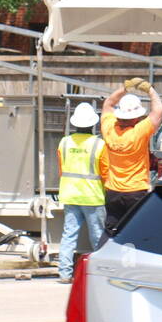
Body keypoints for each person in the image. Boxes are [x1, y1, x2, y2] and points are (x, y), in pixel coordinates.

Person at [99, 77, 162, 238]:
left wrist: (125, 88)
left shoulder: (108, 129)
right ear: (136, 117)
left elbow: (108, 103)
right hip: (135, 190)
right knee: (138, 233)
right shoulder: (138, 133)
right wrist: (149, 90)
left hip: (113, 191)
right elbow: (159, 110)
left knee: (110, 232)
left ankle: (105, 256)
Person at [56, 102, 107, 284]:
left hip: (70, 194)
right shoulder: (99, 144)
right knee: (98, 236)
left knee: (69, 235)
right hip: (92, 196)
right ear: (93, 123)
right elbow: (105, 171)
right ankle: (99, 274)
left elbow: (61, 169)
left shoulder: (65, 142)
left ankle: (64, 273)